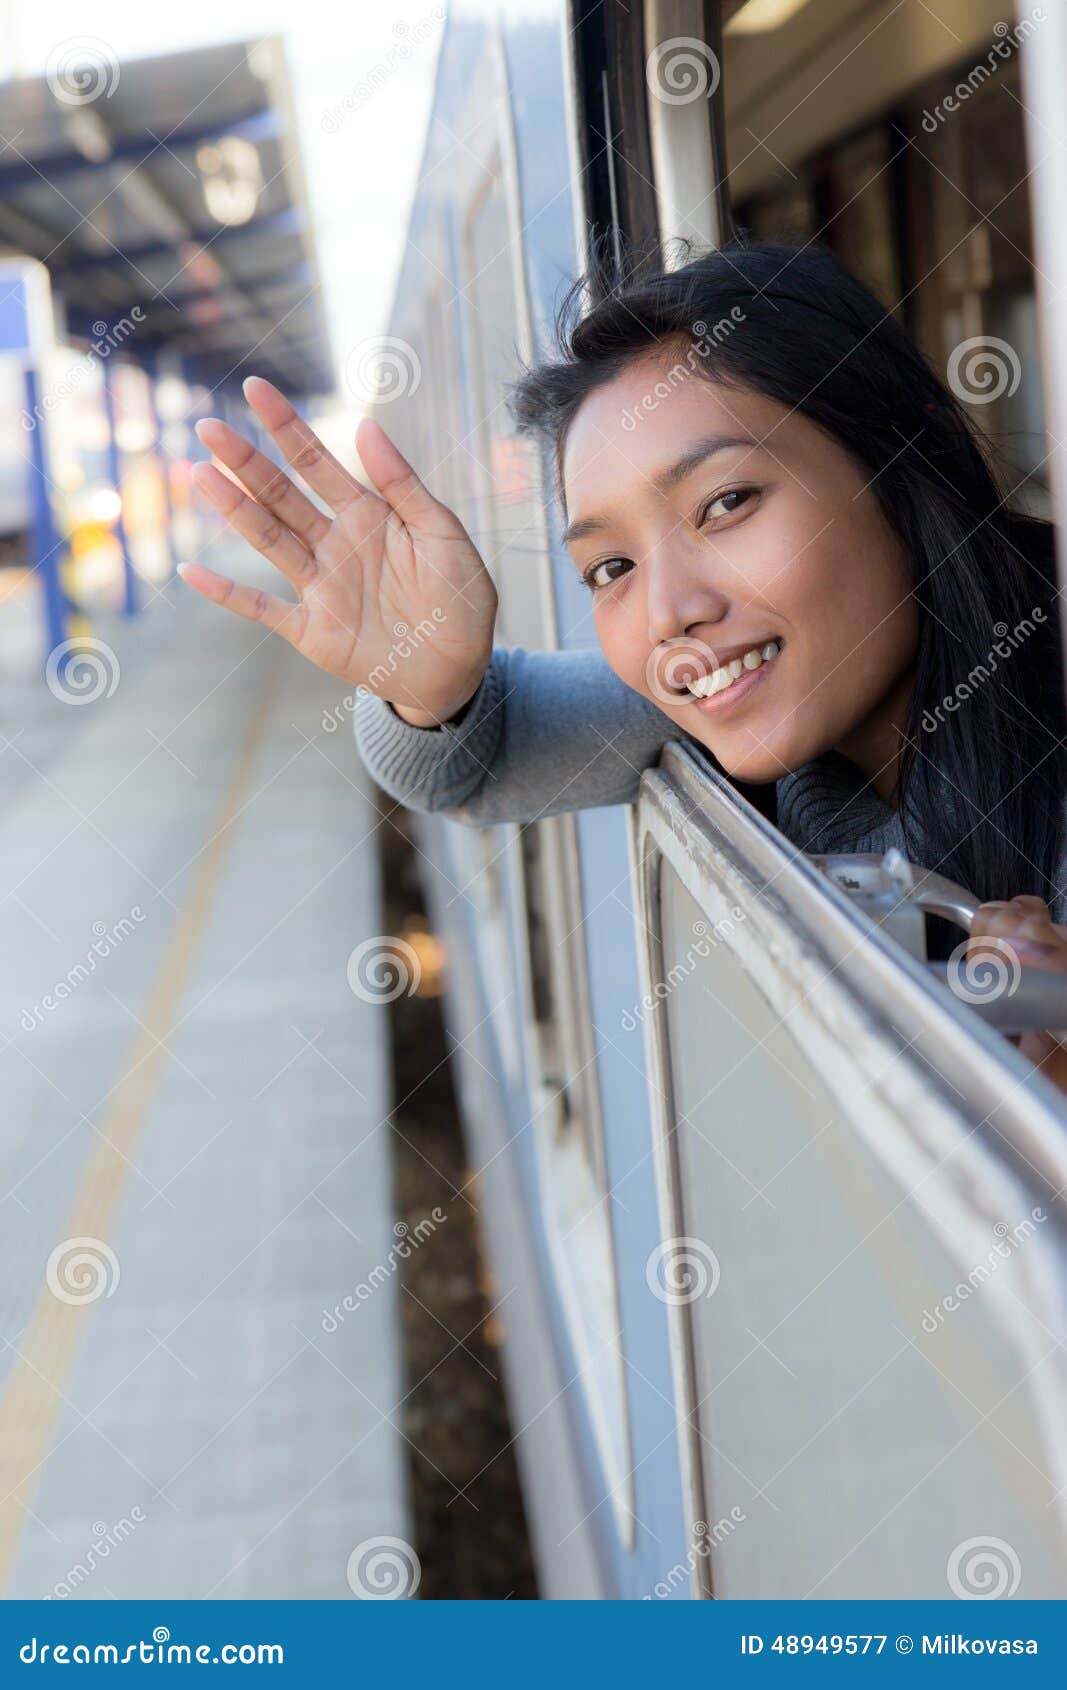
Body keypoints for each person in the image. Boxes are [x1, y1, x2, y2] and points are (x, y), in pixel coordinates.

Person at [178, 237, 1067, 1091]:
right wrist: (425, 675)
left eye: (724, 503)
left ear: (896, 461)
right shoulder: (726, 684)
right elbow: (476, 758)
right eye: (610, 568)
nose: (670, 610)